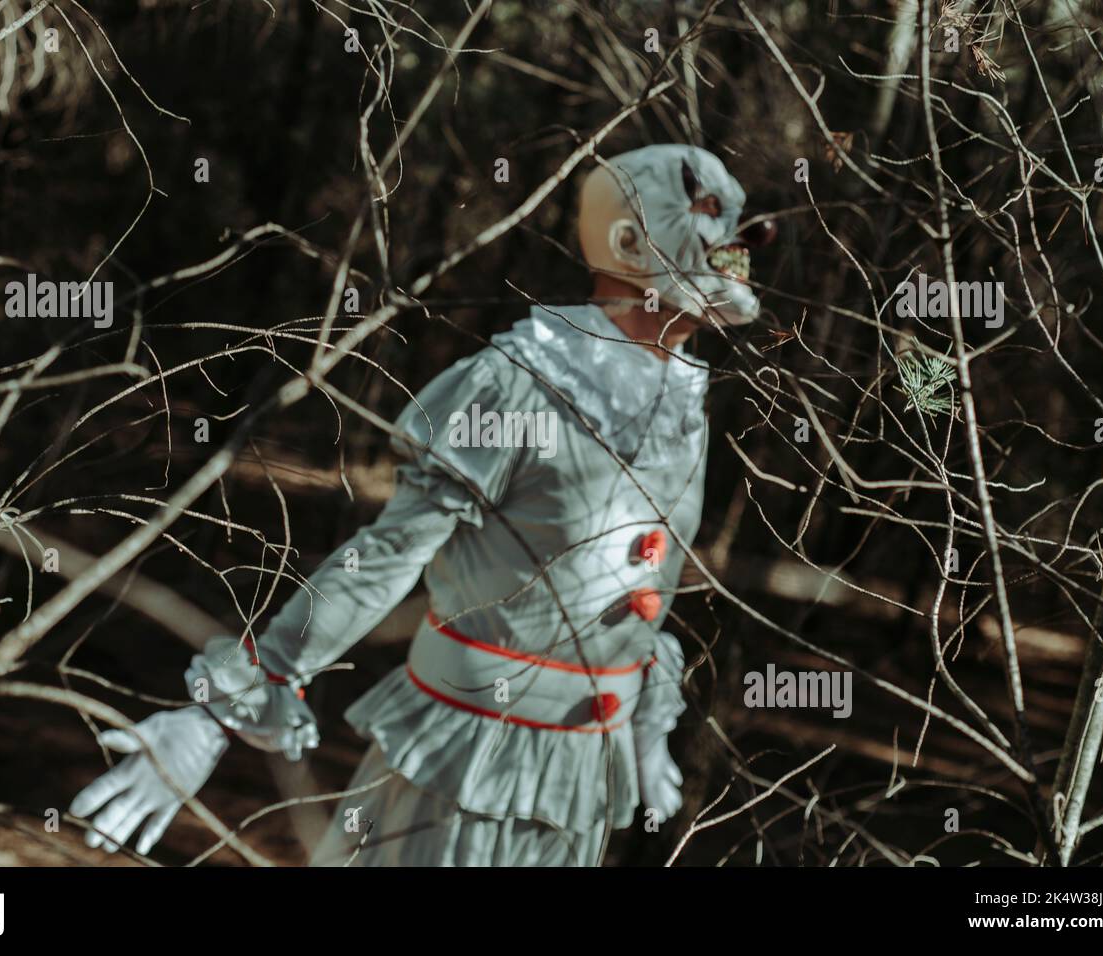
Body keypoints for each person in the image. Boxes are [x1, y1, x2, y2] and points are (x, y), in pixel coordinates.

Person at [69, 143, 770, 866]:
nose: (739, 246)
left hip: (582, 781)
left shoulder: (680, 394)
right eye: (711, 215)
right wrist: (225, 710)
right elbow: (386, 557)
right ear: (629, 242)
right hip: (465, 763)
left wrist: (644, 726)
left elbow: (631, 587)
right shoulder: (518, 385)